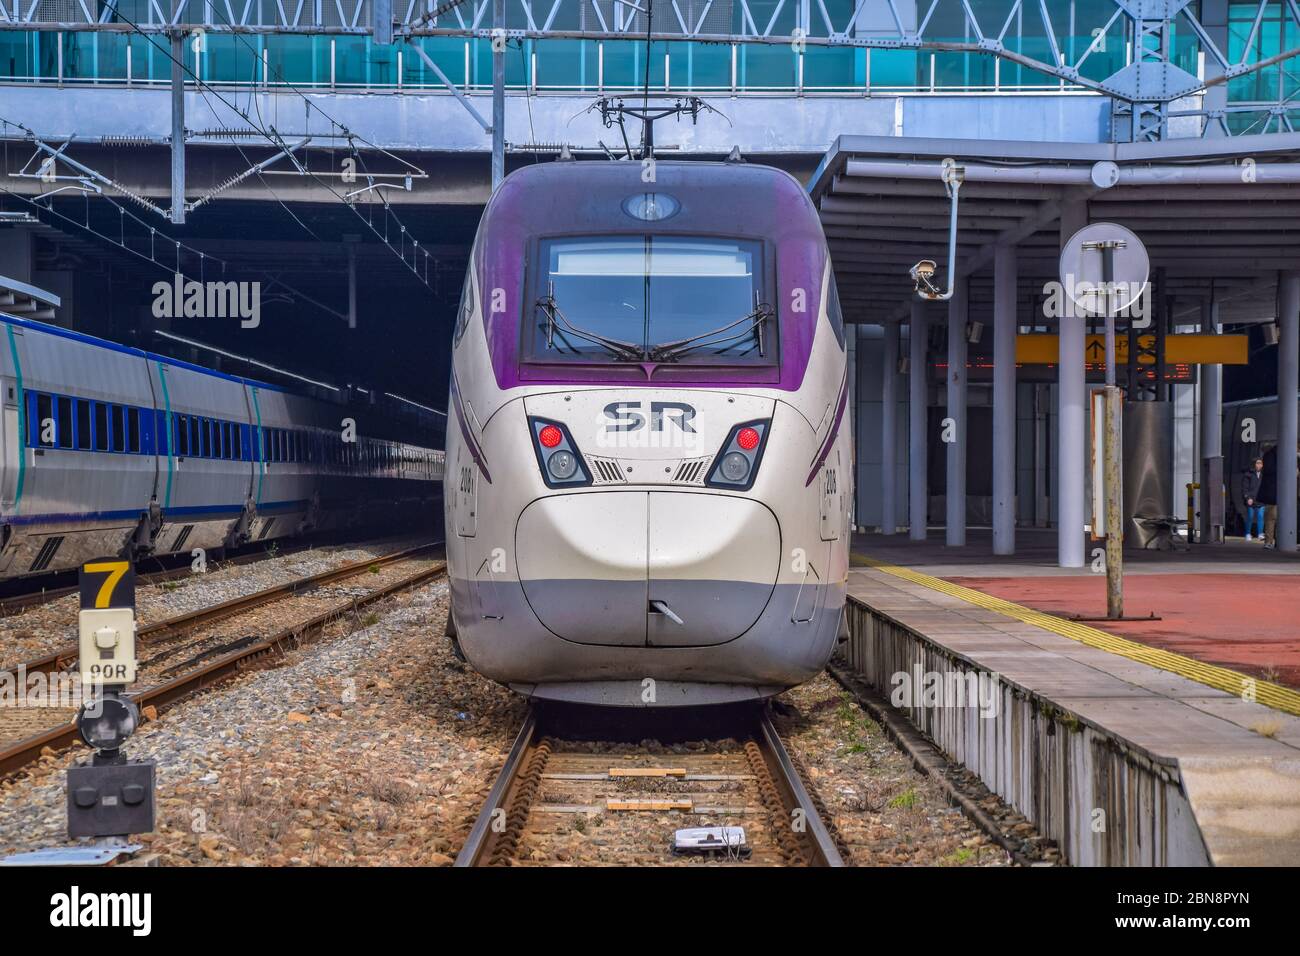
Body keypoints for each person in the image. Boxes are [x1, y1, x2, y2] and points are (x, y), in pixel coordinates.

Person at [1243, 457, 1265, 541]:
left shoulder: (1264, 474)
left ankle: (1260, 534)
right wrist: (1248, 497)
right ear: (1254, 464)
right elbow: (1245, 488)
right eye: (1257, 463)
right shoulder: (1248, 474)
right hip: (1251, 499)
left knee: (1260, 516)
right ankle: (1248, 533)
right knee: (1250, 516)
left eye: (1261, 463)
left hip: (1260, 499)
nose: (1259, 465)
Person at [1260, 447, 1278, 548]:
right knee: (1273, 517)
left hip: (1271, 493)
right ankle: (1276, 541)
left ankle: (1269, 542)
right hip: (1276, 493)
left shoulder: (1268, 456)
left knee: (1270, 518)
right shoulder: (1275, 456)